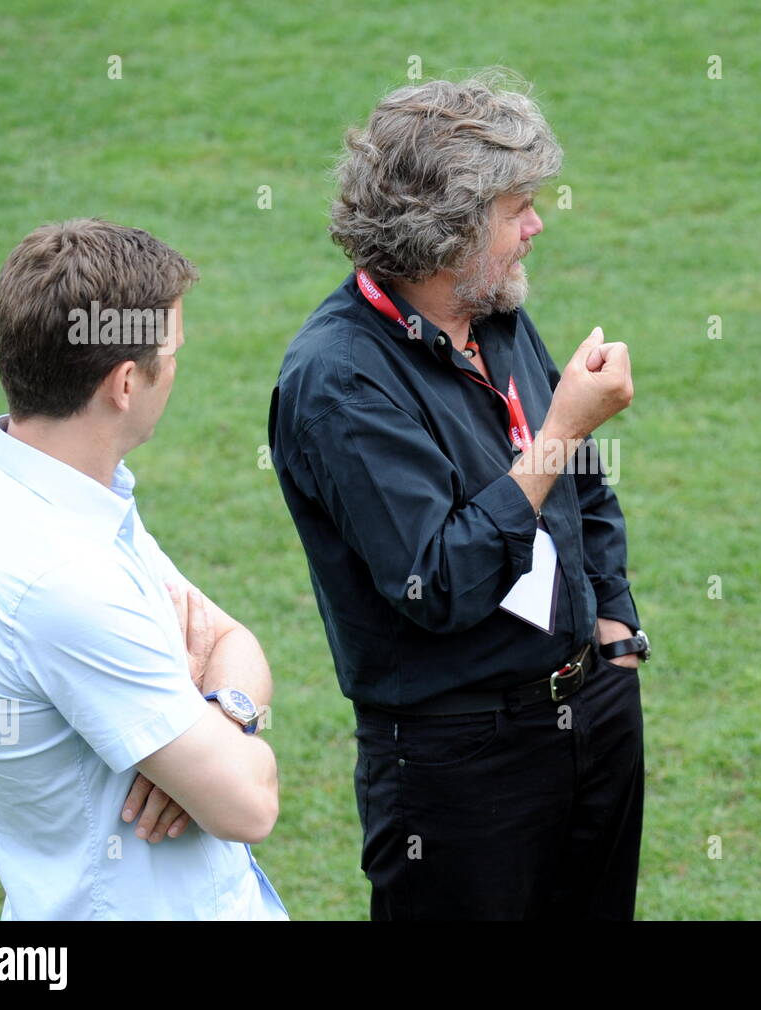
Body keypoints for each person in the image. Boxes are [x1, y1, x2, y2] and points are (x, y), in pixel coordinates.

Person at [268, 74, 649, 920]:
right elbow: (437, 581)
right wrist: (560, 432)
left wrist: (615, 632)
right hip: (464, 764)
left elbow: (582, 487)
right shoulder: (340, 382)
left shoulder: (493, 312)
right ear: (448, 229)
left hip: (590, 712)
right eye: (518, 208)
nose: (537, 226)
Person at [0, 219, 287, 920]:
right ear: (125, 382)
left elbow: (229, 639)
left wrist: (220, 714)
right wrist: (222, 754)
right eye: (171, 354)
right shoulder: (64, 578)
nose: (175, 369)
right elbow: (250, 805)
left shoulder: (26, 489)